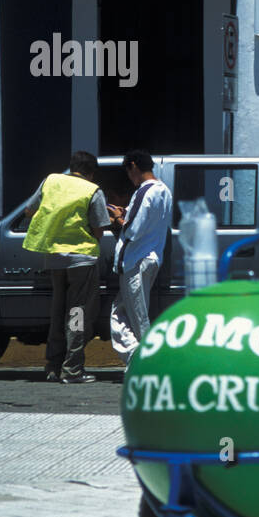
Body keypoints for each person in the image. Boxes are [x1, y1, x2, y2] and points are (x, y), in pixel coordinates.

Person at [21, 150, 111, 384]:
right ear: (91, 173)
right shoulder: (93, 190)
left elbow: (29, 211)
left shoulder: (50, 181)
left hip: (54, 258)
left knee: (58, 311)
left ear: (72, 167)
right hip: (81, 259)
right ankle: (72, 369)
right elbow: (100, 229)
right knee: (77, 314)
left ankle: (52, 366)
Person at [108, 150, 172, 367]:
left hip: (136, 260)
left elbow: (133, 229)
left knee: (137, 317)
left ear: (133, 166)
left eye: (128, 171)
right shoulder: (164, 190)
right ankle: (137, 357)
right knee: (122, 312)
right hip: (151, 257)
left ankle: (146, 363)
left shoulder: (145, 191)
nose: (129, 177)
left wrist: (117, 217)